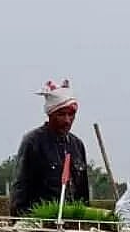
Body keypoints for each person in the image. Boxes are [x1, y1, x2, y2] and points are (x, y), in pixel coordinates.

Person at [9, 79, 90, 216]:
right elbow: (20, 189)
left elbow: (83, 193)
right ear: (50, 114)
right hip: (41, 221)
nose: (67, 120)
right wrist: (20, 223)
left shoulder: (77, 145)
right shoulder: (33, 142)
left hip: (71, 223)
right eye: (61, 114)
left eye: (71, 115)